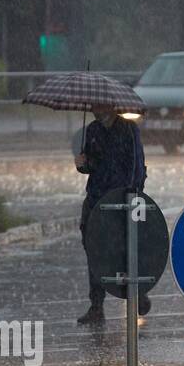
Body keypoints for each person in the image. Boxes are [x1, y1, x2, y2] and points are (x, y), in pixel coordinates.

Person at [74, 105, 147, 324]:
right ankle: (97, 306)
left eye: (102, 106)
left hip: (121, 198)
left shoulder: (128, 129)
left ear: (113, 107)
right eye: (95, 106)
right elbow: (91, 166)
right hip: (96, 198)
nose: (97, 110)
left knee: (123, 247)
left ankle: (137, 292)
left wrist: (132, 193)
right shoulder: (92, 131)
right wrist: (82, 164)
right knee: (93, 248)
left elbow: (136, 165)